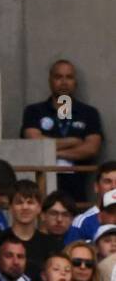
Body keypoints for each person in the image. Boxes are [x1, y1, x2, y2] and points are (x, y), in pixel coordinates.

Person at [21, 59, 103, 204]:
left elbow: (91, 148)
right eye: (58, 77)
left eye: (69, 77)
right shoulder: (34, 111)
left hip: (76, 188)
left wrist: (53, 152)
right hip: (41, 188)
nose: (64, 82)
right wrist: (73, 142)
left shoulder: (88, 113)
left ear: (75, 82)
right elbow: (33, 141)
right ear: (50, 80)